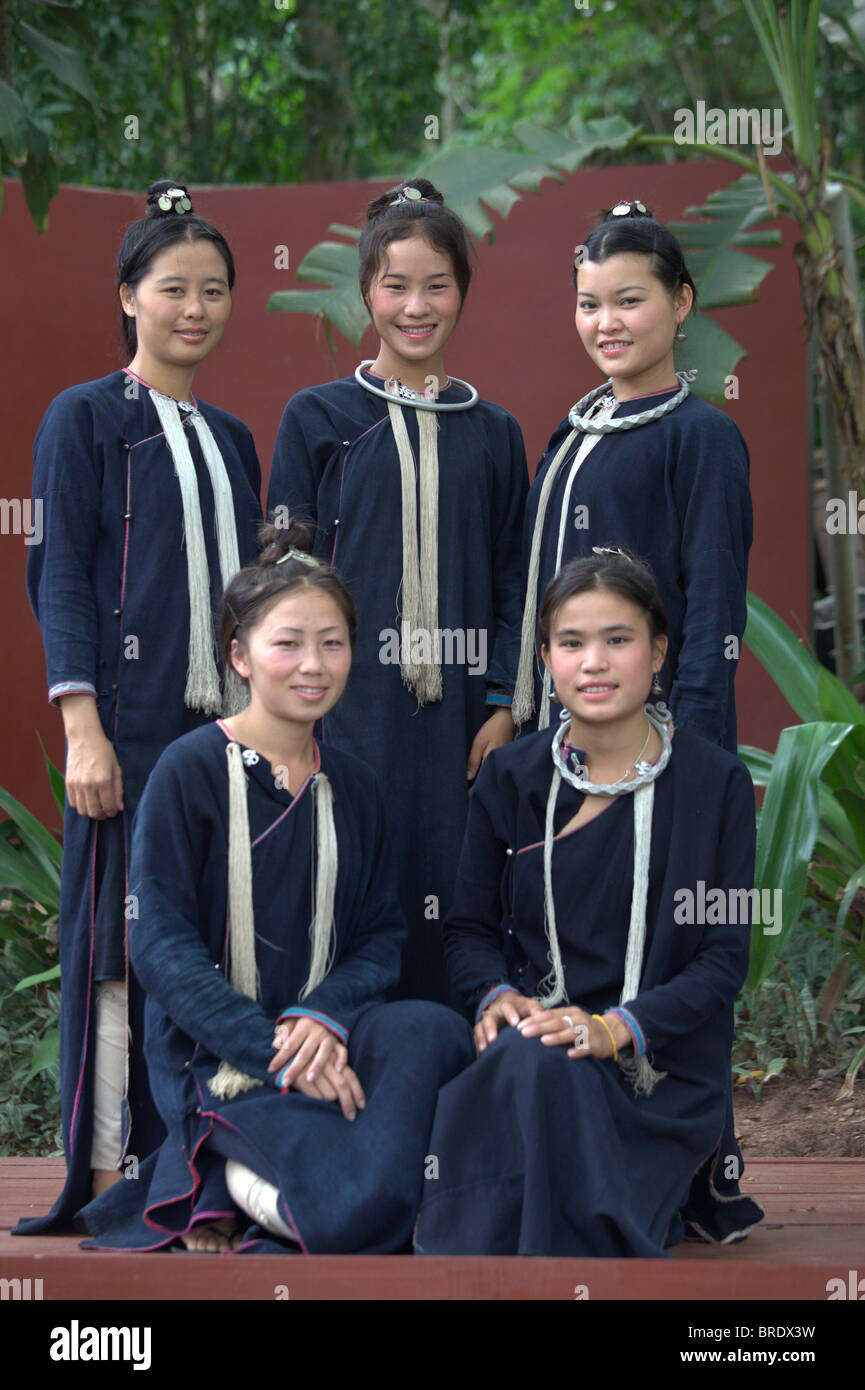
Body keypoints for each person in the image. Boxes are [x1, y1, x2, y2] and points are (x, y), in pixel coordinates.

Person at [78, 521, 473, 1254]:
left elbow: (379, 938)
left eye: (332, 643)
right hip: (223, 1054)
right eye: (287, 643)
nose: (313, 665)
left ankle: (291, 1184)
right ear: (240, 655)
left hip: (328, 1037)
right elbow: (161, 945)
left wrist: (322, 1018)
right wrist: (271, 1049)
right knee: (354, 1214)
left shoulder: (354, 786)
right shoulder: (189, 770)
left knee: (431, 1030)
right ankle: (251, 1183)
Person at [16, 180, 262, 1235]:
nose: (194, 309)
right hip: (124, 733)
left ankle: (201, 1158)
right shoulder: (84, 417)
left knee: (214, 939)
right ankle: (115, 1170)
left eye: (213, 290)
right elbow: (60, 576)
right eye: (172, 288)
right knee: (119, 951)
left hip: (225, 738)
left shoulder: (234, 437)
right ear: (128, 296)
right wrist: (82, 727)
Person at [415, 549, 765, 1256]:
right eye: (571, 643)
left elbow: (723, 961)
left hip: (656, 1073)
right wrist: (496, 997)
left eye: (618, 639)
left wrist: (614, 1028)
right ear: (546, 659)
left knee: (535, 1081)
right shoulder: (510, 776)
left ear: (658, 652)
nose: (594, 663)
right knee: (507, 1059)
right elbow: (467, 930)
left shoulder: (716, 784)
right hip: (539, 1043)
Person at [268, 178, 528, 1005]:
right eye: (395, 286)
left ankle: (456, 1070)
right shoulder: (316, 418)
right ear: (365, 292)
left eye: (436, 286)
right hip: (349, 715)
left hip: (463, 724)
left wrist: (502, 706)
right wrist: (294, 714)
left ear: (462, 292)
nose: (416, 307)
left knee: (460, 904)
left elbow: (514, 581)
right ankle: (342, 1067)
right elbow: (282, 581)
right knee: (349, 895)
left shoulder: (495, 433)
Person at [513, 199, 752, 753]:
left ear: (680, 301)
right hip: (553, 728)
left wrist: (690, 749)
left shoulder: (701, 435)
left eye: (629, 301)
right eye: (589, 304)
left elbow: (715, 604)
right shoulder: (572, 432)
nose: (607, 323)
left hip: (651, 738)